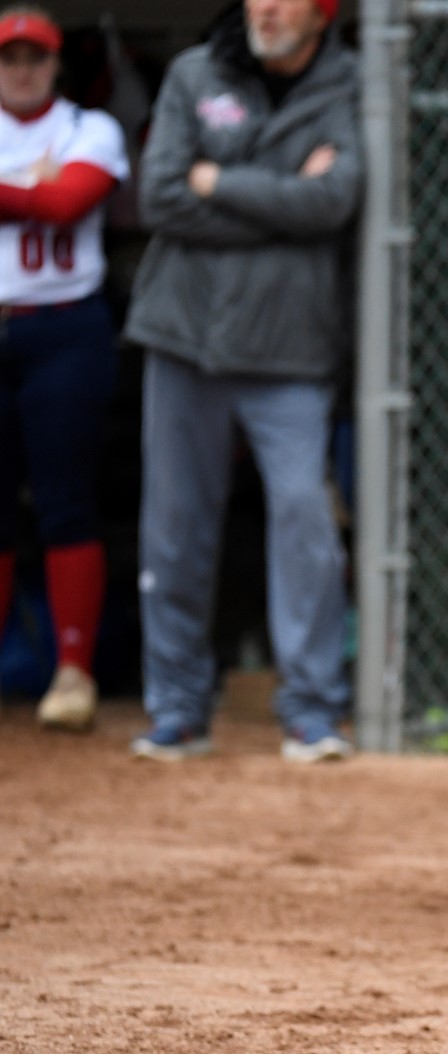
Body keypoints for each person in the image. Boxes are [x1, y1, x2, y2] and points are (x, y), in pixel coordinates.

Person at [125, 0, 360, 762]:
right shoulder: (197, 71)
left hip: (289, 349)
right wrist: (279, 196)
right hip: (183, 338)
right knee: (174, 528)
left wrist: (216, 182)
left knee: (304, 525)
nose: (266, 6)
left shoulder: (353, 83)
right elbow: (159, 195)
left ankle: (312, 711)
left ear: (323, 14)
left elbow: (335, 203)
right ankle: (177, 710)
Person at [0, 7, 127, 732]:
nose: (21, 70)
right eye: (10, 58)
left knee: (66, 501)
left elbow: (71, 199)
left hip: (65, 329)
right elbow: (45, 200)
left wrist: (34, 195)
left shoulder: (90, 129)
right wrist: (31, 191)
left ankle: (72, 671)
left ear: (55, 64)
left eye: (34, 58)